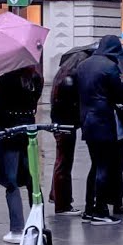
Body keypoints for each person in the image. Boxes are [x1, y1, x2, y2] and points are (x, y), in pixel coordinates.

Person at [74, 35, 123, 225]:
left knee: (95, 164)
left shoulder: (82, 65)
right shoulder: (111, 67)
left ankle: (89, 207)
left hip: (87, 121)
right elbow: (122, 93)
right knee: (106, 166)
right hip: (105, 121)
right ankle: (101, 210)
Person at [0, 65, 43, 244]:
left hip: (10, 134)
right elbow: (33, 103)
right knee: (32, 180)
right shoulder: (36, 79)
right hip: (28, 133)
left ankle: (17, 228)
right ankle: (39, 222)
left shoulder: (7, 79)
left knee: (11, 181)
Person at [48, 60, 82, 216]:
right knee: (64, 163)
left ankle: (57, 196)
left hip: (60, 124)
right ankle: (62, 204)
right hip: (66, 126)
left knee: (61, 162)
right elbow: (72, 106)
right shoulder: (70, 81)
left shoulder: (61, 77)